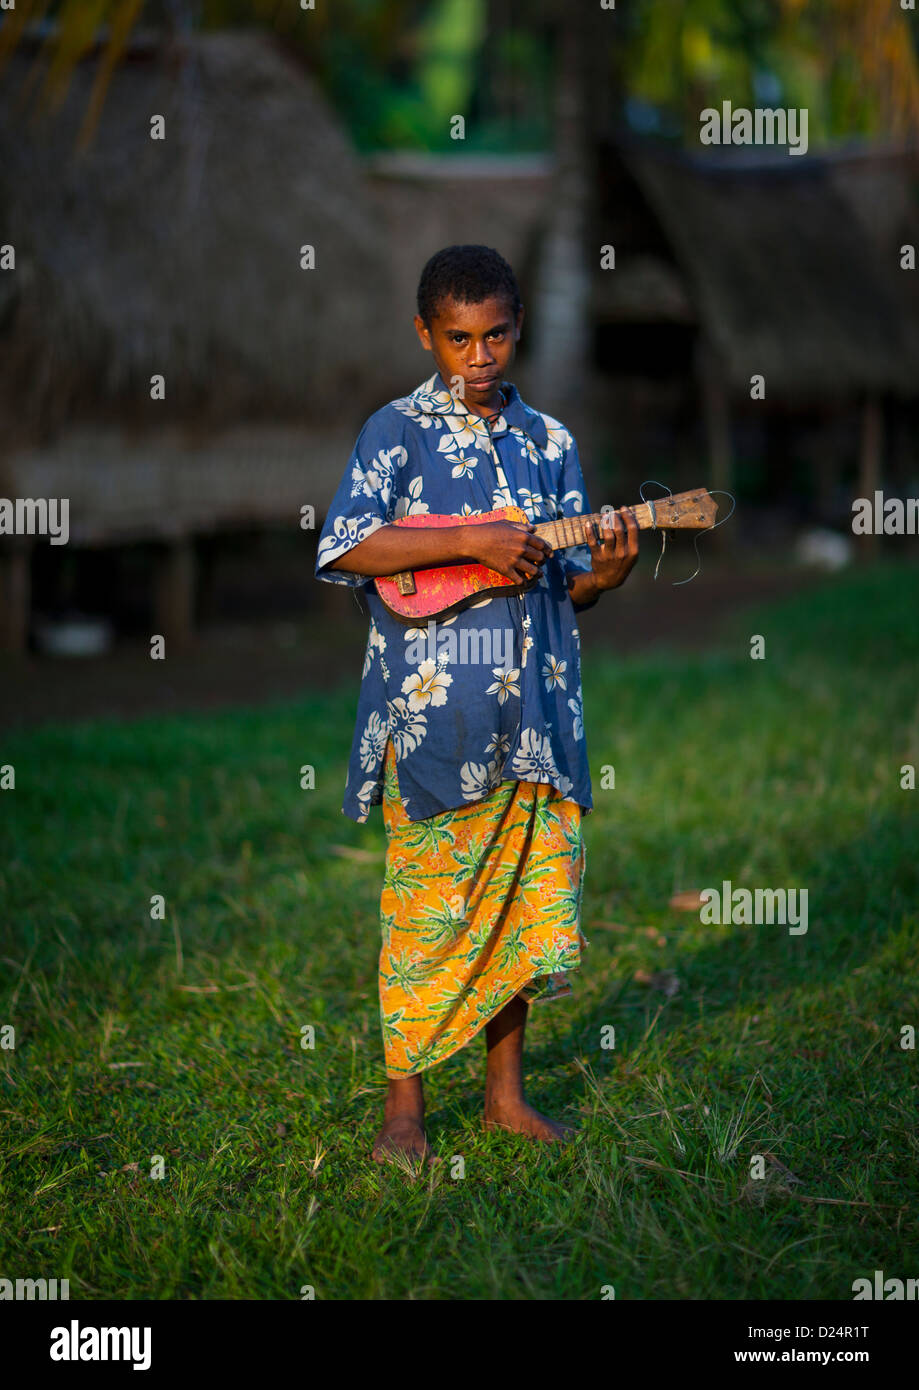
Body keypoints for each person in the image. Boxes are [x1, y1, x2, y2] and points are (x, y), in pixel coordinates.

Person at [315, 244, 639, 1163]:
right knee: (424, 912)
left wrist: (605, 574)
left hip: (532, 717)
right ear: (426, 335)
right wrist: (468, 539)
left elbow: (565, 585)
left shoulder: (551, 443)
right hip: (431, 723)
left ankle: (504, 1096)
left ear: (518, 327)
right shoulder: (393, 433)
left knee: (510, 910)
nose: (479, 356)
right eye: (458, 338)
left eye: (495, 334)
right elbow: (345, 548)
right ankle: (403, 1117)